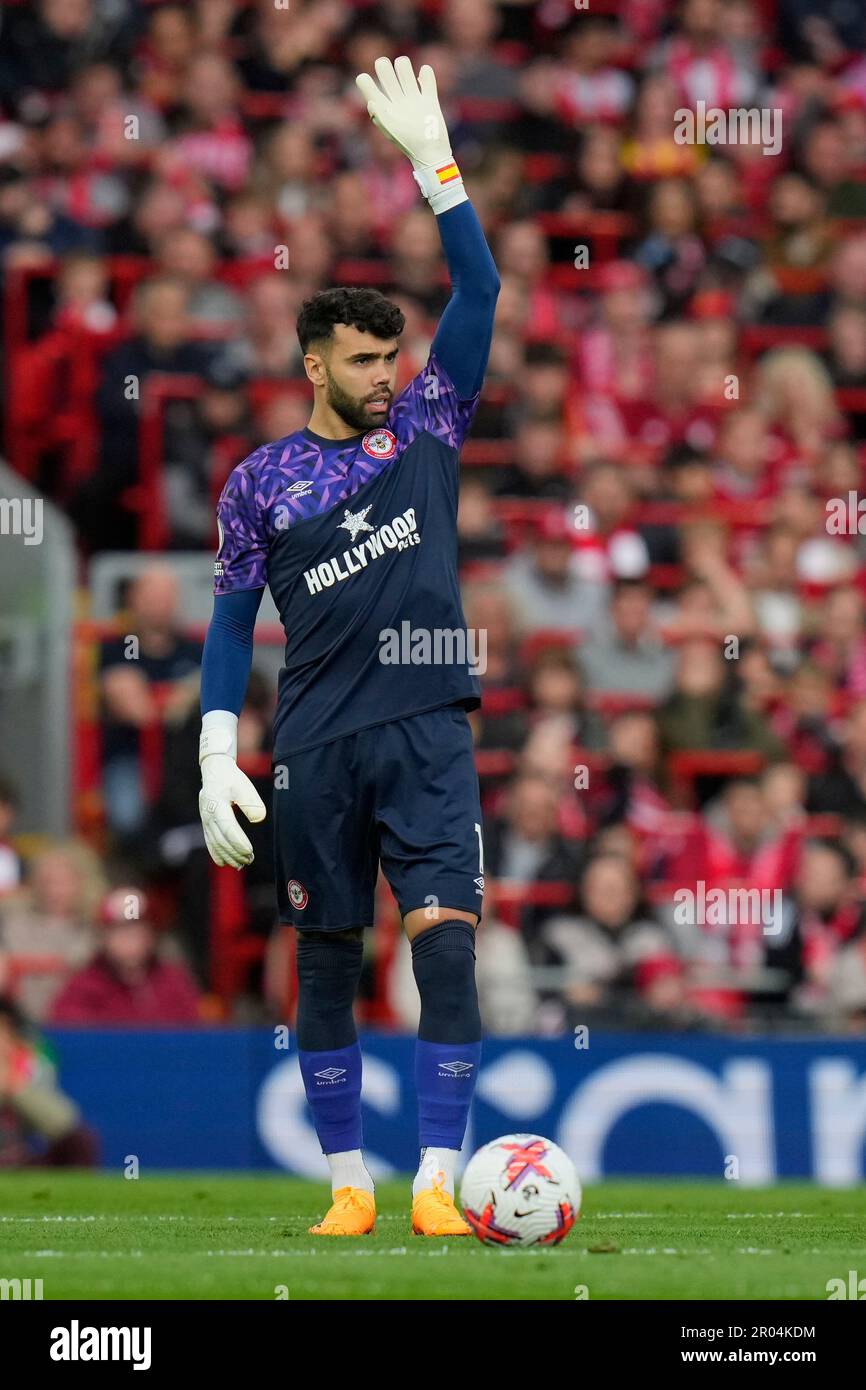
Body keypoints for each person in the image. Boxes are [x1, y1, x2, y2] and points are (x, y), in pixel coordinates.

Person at [197, 58, 499, 1238]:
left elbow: (479, 284)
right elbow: (231, 625)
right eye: (364, 360)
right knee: (323, 965)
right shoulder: (260, 482)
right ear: (315, 364)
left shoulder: (428, 426)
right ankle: (347, 1187)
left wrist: (436, 170)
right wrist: (214, 752)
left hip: (427, 730)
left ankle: (434, 1182)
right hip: (314, 744)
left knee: (448, 956)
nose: (385, 375)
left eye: (392, 356)